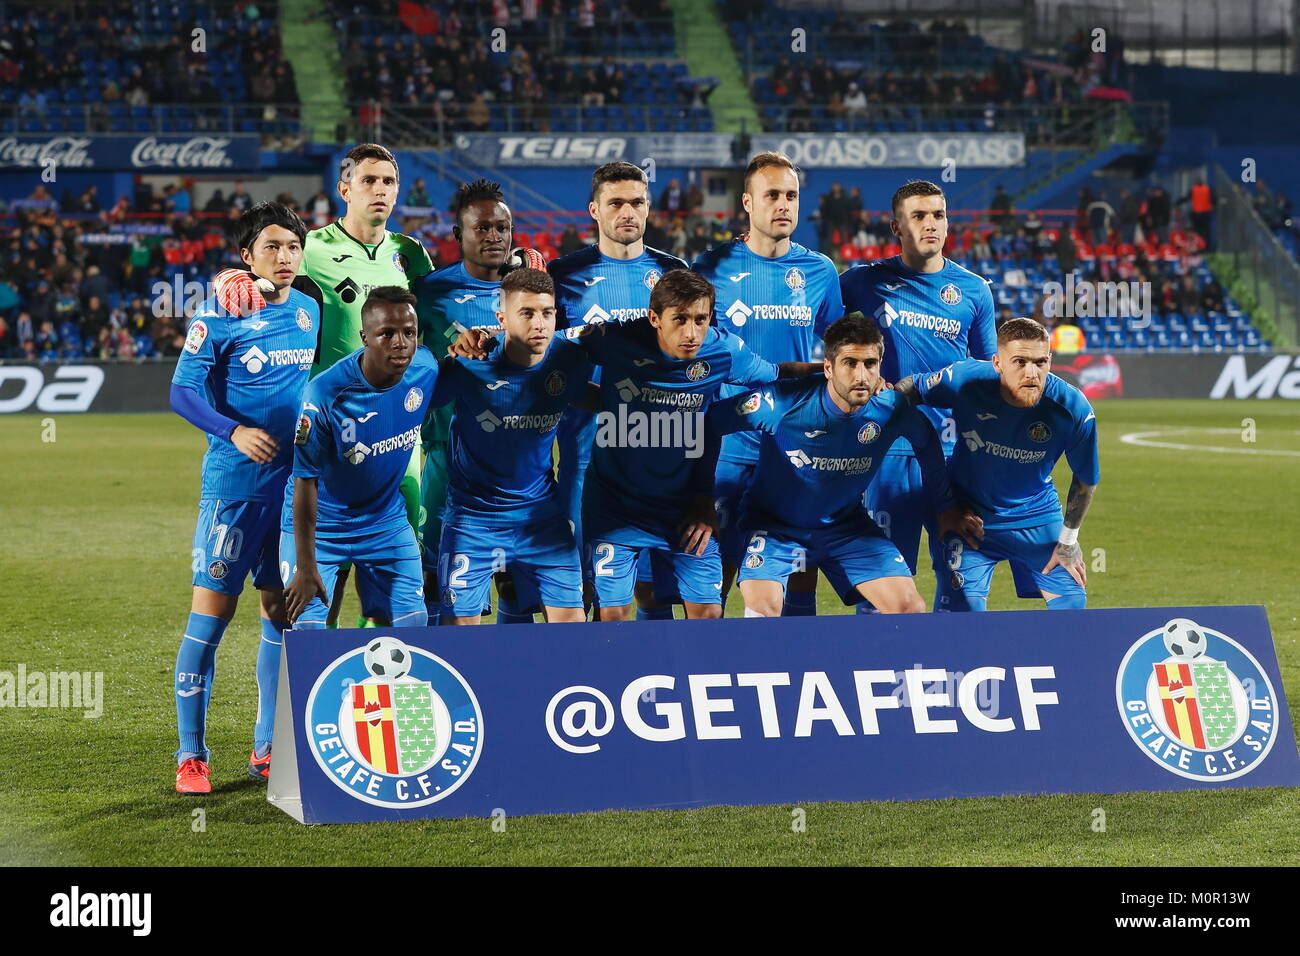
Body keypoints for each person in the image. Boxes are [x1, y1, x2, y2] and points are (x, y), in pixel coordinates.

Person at [452, 269, 818, 621]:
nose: (692, 332)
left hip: (683, 506)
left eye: (701, 319)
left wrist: (834, 373)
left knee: (709, 613)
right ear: (654, 317)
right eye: (680, 319)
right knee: (612, 615)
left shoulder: (723, 351)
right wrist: (484, 336)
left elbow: (777, 374)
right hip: (615, 505)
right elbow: (547, 339)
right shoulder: (614, 338)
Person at [214, 144, 434, 627]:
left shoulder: (410, 253)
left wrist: (516, 261)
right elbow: (264, 273)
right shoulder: (309, 247)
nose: (380, 190)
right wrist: (229, 277)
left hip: (396, 431)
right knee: (319, 577)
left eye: (389, 182)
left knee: (395, 565)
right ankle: (320, 672)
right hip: (328, 427)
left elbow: (439, 308)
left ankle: (375, 670)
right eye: (369, 181)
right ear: (344, 188)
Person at [169, 202, 322, 795]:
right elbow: (181, 395)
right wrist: (232, 430)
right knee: (210, 621)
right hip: (234, 490)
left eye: (292, 247)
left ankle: (267, 746)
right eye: (272, 247)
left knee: (280, 618)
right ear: (247, 255)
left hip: (291, 492)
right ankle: (191, 756)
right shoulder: (219, 313)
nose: (284, 258)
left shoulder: (308, 309)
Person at [708, 314, 977, 616]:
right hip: (774, 529)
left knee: (910, 608)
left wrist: (946, 506)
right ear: (828, 368)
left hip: (847, 528)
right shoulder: (781, 403)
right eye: (850, 363)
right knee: (762, 612)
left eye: (870, 364)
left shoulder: (892, 409)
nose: (862, 376)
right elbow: (708, 424)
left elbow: (926, 441)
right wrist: (697, 496)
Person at [690, 151, 844, 617]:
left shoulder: (819, 271)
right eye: (772, 194)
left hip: (794, 444)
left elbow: (839, 346)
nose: (783, 204)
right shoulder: (710, 267)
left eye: (792, 195)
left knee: (798, 573)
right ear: (747, 202)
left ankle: (790, 672)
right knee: (714, 573)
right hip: (728, 444)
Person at [839, 180, 995, 609]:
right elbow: (823, 334)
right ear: (896, 226)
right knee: (883, 590)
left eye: (939, 215)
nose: (931, 225)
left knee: (963, 587)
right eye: (919, 216)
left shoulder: (974, 290)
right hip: (884, 455)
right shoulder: (861, 282)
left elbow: (988, 376)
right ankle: (877, 673)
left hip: (954, 456)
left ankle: (960, 672)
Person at [547, 162, 687, 618]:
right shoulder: (563, 274)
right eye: (616, 203)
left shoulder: (673, 274)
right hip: (586, 450)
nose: (628, 212)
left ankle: (656, 686)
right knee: (582, 588)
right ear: (594, 209)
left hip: (660, 450)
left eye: (637, 202)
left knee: (653, 591)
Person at [896, 317, 1099, 611]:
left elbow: (1085, 478)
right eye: (1020, 361)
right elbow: (911, 389)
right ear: (997, 362)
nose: (1031, 373)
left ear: (1050, 361)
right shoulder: (965, 379)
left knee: (1072, 606)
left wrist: (1068, 541)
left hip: (1037, 515)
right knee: (960, 619)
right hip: (970, 518)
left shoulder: (1073, 409)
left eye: (1040, 362)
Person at [414, 178, 544, 622]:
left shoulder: (533, 292)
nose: (493, 237)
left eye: (502, 228)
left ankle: (513, 687)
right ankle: (445, 684)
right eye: (481, 228)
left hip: (519, 466)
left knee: (518, 586)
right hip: (447, 463)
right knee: (438, 584)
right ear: (458, 235)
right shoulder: (428, 293)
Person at [432, 269, 590, 624]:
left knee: (576, 637)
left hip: (540, 517)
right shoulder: (469, 366)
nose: (540, 324)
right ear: (502, 318)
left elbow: (585, 394)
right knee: (459, 640)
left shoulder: (567, 356)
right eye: (527, 313)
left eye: (547, 313)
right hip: (474, 520)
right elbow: (412, 403)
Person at [282, 287, 438, 635]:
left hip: (384, 520)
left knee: (415, 623)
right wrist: (305, 567)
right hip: (323, 527)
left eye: (409, 333)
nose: (400, 343)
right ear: (364, 336)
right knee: (308, 629)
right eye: (387, 334)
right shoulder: (324, 395)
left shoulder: (425, 368)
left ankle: (391, 689)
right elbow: (304, 481)